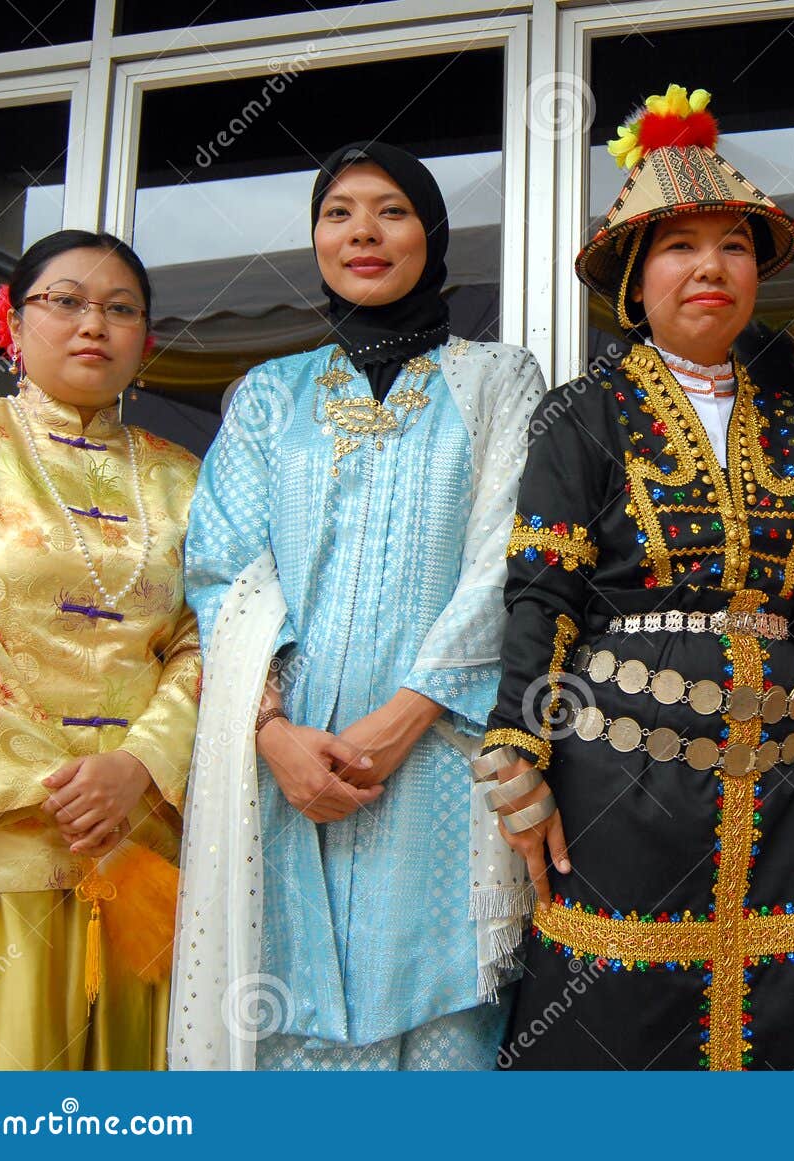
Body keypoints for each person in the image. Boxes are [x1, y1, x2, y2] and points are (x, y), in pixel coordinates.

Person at [480, 85, 794, 1070]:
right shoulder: (581, 414)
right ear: (634, 275)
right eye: (678, 246)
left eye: (733, 246)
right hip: (621, 773)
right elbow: (541, 595)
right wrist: (518, 754)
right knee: (620, 1022)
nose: (710, 268)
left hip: (791, 784)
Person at [179, 142, 545, 1070]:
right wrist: (270, 735)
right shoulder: (269, 395)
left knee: (449, 1029)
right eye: (339, 212)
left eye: (391, 210)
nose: (364, 233)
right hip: (288, 769)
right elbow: (221, 570)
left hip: (443, 764)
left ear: (433, 233)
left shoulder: (497, 379)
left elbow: (508, 559)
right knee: (287, 1018)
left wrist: (406, 715)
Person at [0, 230, 198, 1069]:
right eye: (64, 300)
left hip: (137, 847)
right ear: (13, 320)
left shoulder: (183, 473)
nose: (92, 325)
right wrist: (61, 787)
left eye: (120, 309)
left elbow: (206, 635)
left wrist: (138, 764)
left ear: (145, 339)